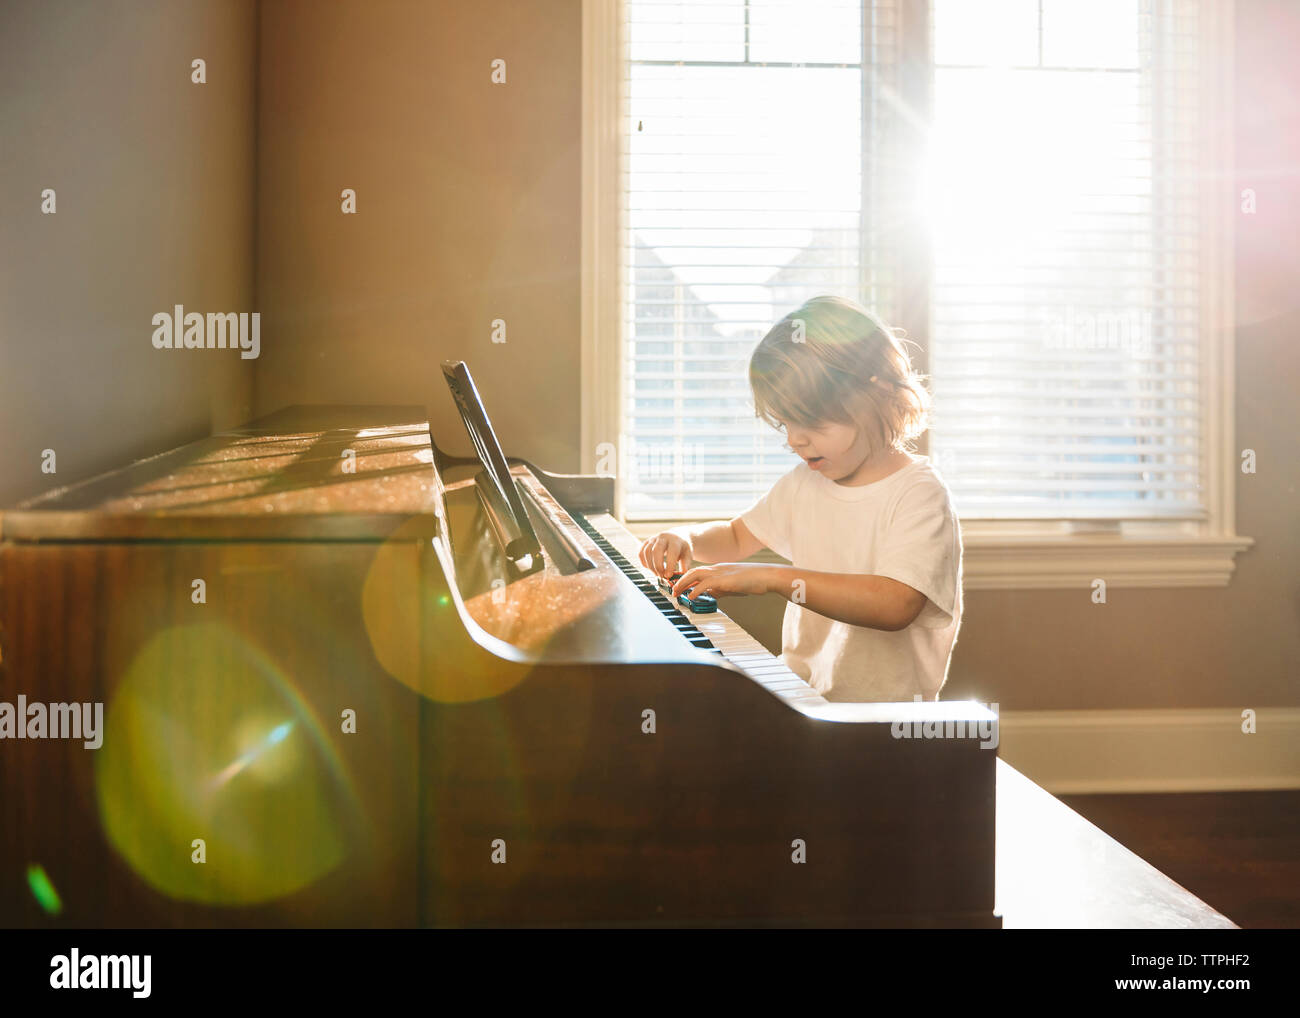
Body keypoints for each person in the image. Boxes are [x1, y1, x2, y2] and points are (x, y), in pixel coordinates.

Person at [637, 295, 963, 703]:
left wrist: (772, 578)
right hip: (800, 696)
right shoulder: (805, 483)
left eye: (811, 421)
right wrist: (686, 536)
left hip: (881, 723)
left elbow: (895, 604)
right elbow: (737, 536)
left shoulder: (918, 493)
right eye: (786, 422)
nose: (794, 439)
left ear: (877, 395)